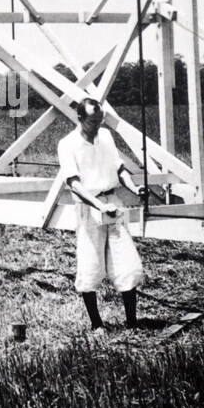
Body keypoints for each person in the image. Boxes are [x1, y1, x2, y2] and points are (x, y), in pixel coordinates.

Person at [56, 98, 146, 331]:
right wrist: (98, 205)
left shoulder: (106, 136)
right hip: (88, 208)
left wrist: (135, 189)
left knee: (127, 261)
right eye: (92, 122)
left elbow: (119, 168)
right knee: (90, 265)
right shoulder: (67, 144)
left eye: (99, 121)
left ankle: (132, 323)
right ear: (80, 118)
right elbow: (74, 184)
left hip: (113, 202)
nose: (96, 126)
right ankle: (97, 325)